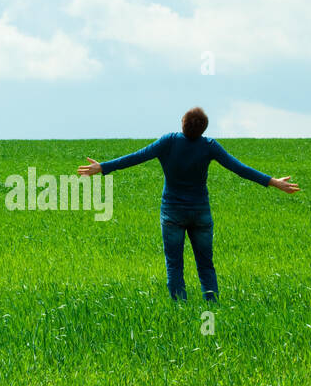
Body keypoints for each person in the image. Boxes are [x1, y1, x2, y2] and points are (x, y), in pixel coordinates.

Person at [78, 107, 299, 300]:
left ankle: (179, 308)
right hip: (200, 213)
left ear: (182, 124)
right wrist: (273, 182)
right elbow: (240, 169)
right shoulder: (209, 146)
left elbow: (136, 157)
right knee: (205, 265)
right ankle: (211, 306)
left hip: (172, 213)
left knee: (174, 264)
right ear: (203, 128)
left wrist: (103, 167)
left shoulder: (168, 142)